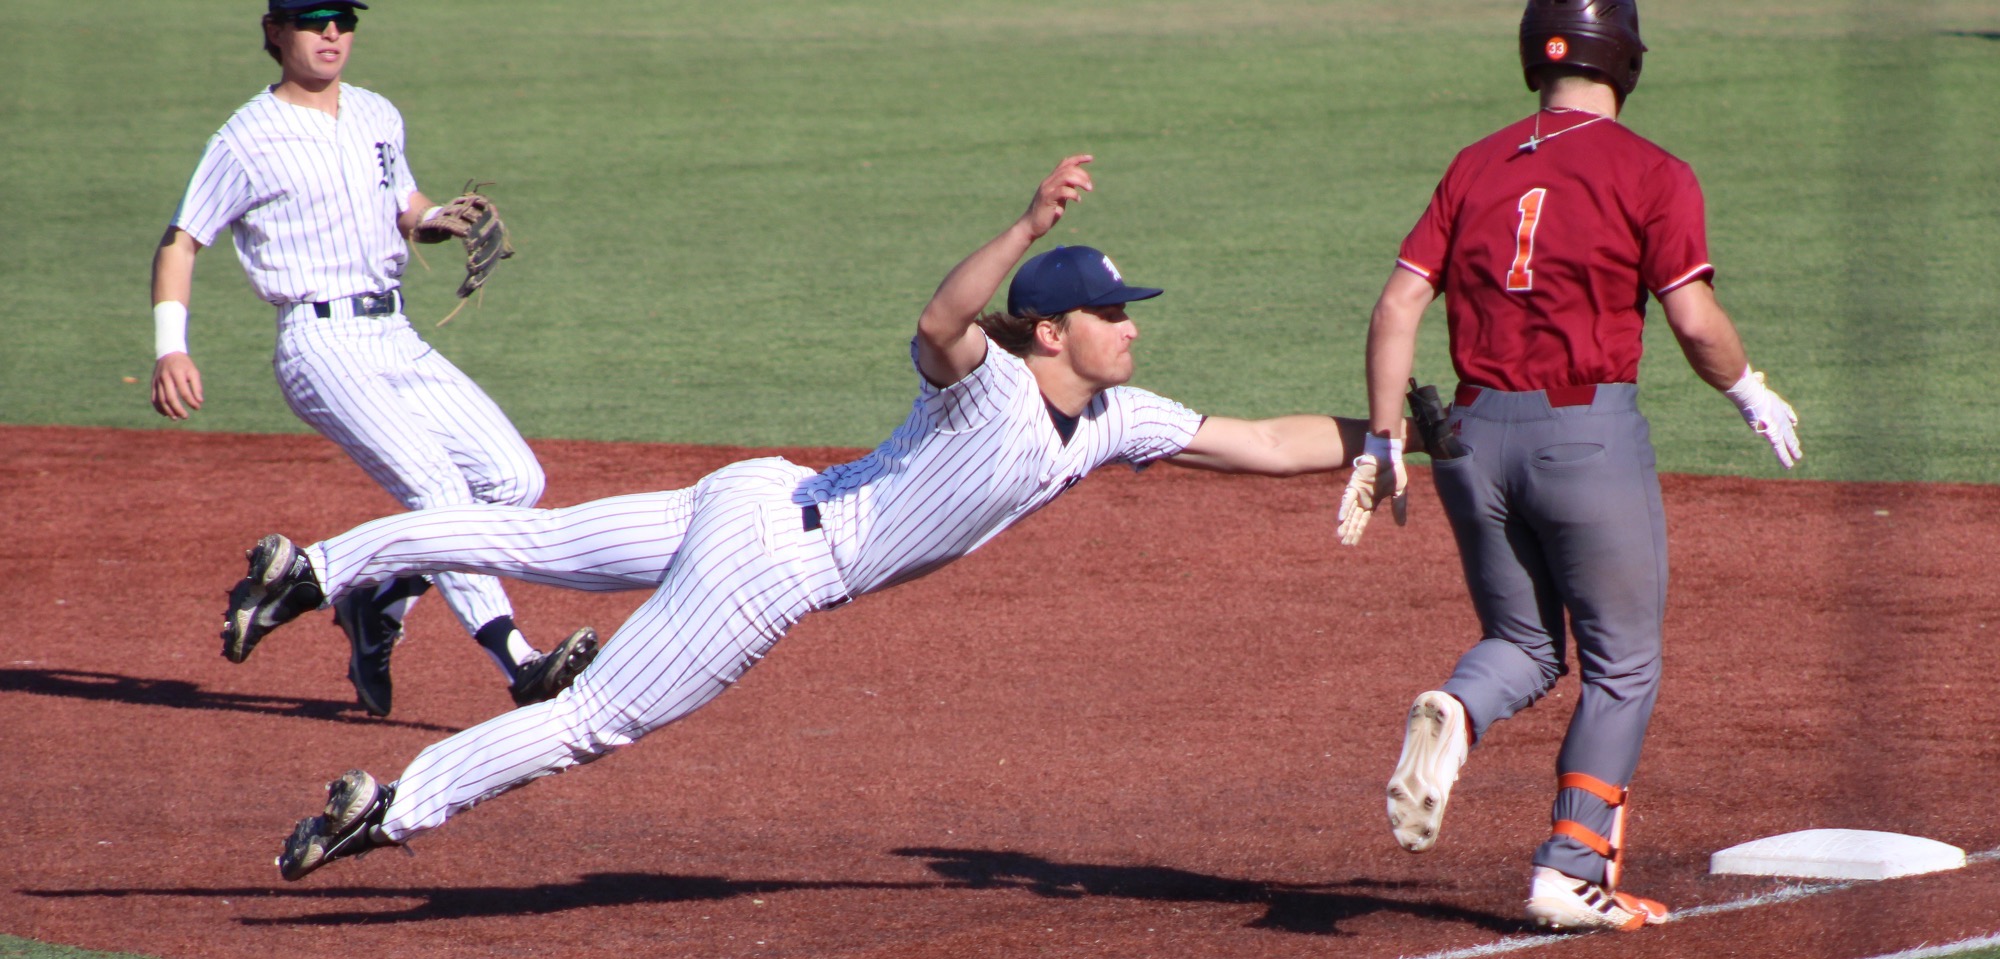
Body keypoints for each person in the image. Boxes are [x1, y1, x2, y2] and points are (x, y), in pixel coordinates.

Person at [241, 154, 1420, 881]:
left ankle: (315, 569)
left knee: (527, 541)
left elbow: (1258, 441)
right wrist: (1023, 226)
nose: (1133, 326)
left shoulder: (1116, 416)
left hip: (759, 493)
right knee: (590, 718)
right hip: (772, 564)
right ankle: (392, 807)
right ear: (1053, 329)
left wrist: (1389, 431)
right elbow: (939, 319)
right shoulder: (989, 387)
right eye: (1112, 314)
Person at [1337, 0, 1802, 931]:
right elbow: (1693, 318)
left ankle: (1456, 712)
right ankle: (1570, 863)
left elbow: (1396, 308)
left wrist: (1386, 439)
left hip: (1467, 441)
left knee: (1525, 644)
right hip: (1585, 438)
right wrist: (1749, 389)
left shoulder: (1476, 163)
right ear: (1626, 59)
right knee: (1622, 664)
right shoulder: (1652, 171)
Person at [152, 0, 596, 718]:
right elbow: (180, 240)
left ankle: (378, 595)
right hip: (320, 346)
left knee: (515, 481)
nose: (332, 32)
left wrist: (433, 217)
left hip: (394, 334)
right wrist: (171, 349)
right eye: (311, 18)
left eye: (343, 18)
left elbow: (401, 199)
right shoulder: (245, 139)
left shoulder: (376, 114)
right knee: (441, 492)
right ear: (274, 33)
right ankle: (519, 664)